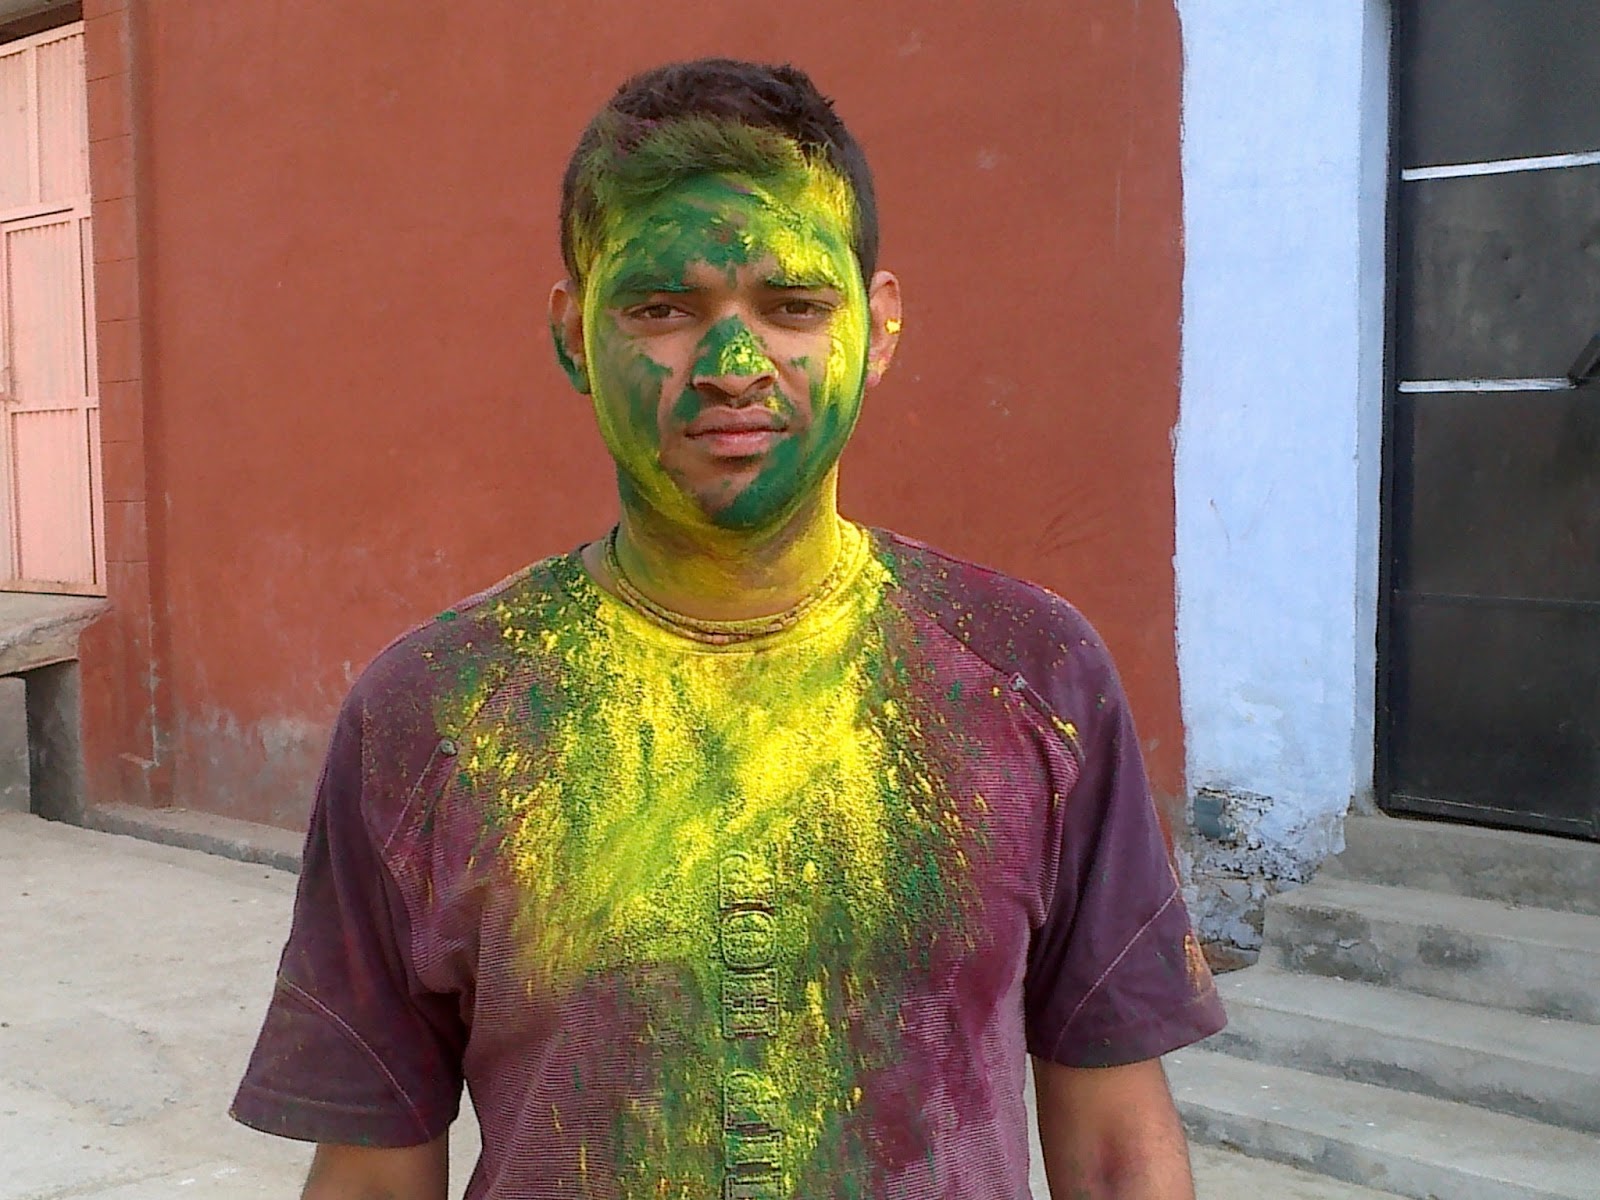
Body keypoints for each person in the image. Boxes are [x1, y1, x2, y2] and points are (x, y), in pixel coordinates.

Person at [232, 57, 1225, 1200]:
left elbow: (1112, 1148)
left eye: (794, 307)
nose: (734, 367)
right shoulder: (434, 713)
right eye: (663, 309)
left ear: (880, 328)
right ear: (571, 336)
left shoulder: (1032, 679)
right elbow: (370, 1173)